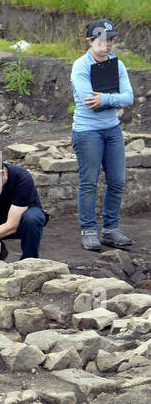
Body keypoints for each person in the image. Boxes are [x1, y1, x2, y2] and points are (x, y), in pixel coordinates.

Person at [72, 19, 136, 250]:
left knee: (117, 181)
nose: (107, 44)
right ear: (90, 40)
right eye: (102, 39)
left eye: (110, 39)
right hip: (87, 131)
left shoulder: (117, 65)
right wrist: (113, 101)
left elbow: (128, 97)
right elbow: (90, 101)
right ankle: (89, 231)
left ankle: (110, 230)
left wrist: (107, 99)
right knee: (88, 183)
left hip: (112, 130)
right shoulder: (80, 66)